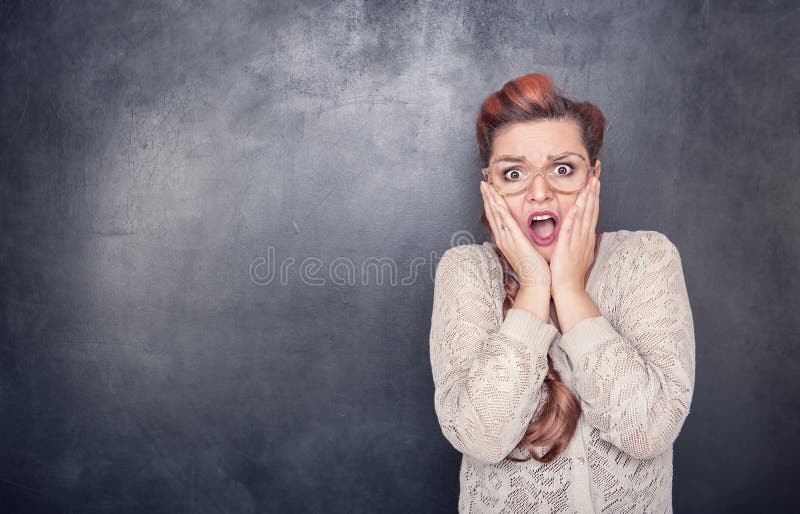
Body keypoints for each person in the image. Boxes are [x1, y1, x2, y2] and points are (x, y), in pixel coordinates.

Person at [428, 72, 695, 513]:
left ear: (593, 176)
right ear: (490, 187)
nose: (539, 192)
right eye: (513, 173)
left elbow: (648, 429)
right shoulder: (466, 272)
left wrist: (570, 291)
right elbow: (482, 437)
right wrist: (535, 285)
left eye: (563, 169)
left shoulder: (647, 257)